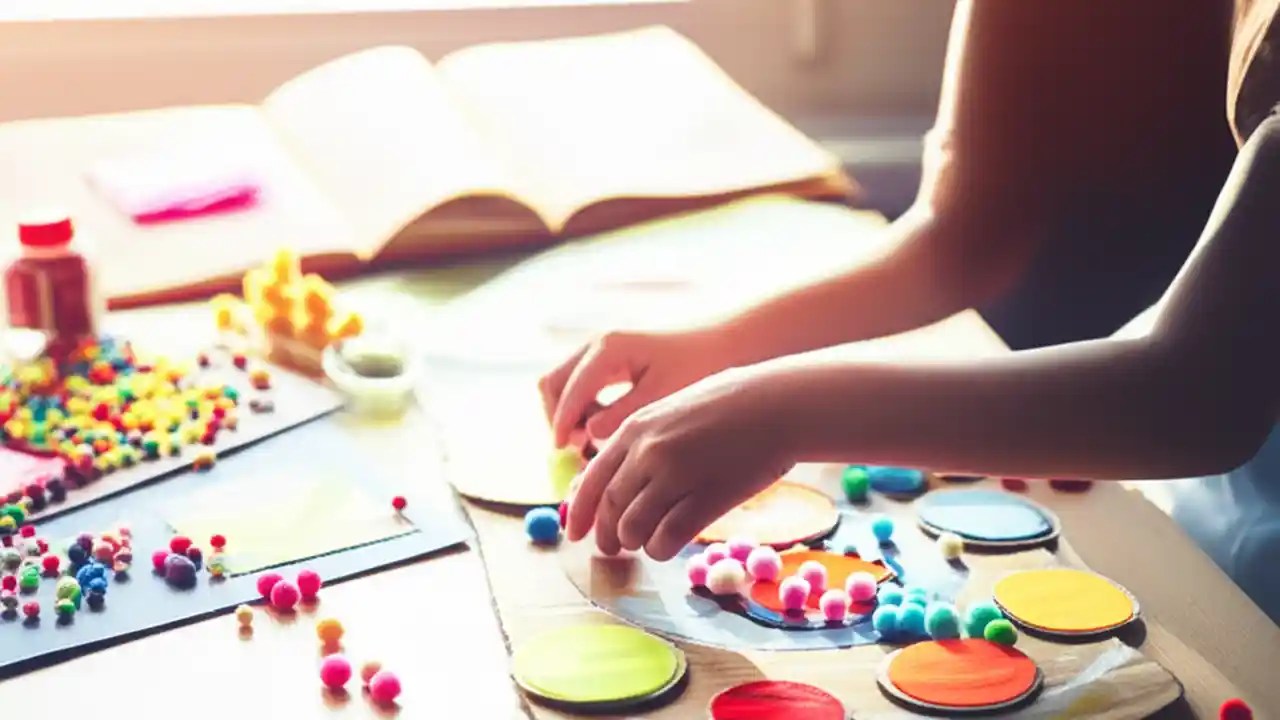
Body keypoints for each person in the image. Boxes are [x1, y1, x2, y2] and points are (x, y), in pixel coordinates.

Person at [537, 0, 1280, 623]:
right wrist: (720, 346)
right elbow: (965, 236)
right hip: (1174, 526)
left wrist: (784, 411)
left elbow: (1197, 392)